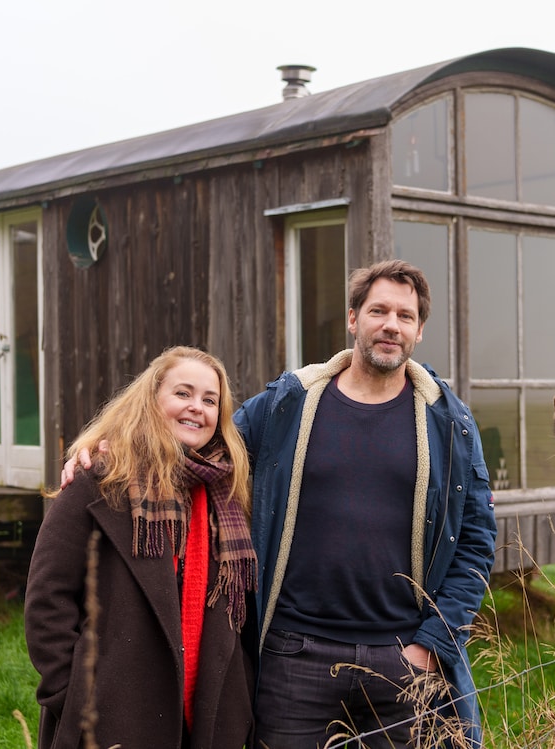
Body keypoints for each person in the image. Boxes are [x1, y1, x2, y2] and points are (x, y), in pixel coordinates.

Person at [66, 260, 497, 748]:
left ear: (419, 330)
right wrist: (108, 445)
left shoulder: (449, 424)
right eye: (378, 310)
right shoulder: (289, 405)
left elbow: (477, 542)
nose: (390, 325)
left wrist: (432, 645)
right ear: (353, 318)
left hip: (404, 662)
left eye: (405, 315)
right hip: (295, 657)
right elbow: (202, 449)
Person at [26, 346, 257, 749]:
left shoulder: (228, 494)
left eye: (209, 400)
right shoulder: (100, 481)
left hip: (206, 719)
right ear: (152, 400)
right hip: (115, 718)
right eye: (182, 394)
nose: (196, 408)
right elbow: (47, 598)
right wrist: (73, 697)